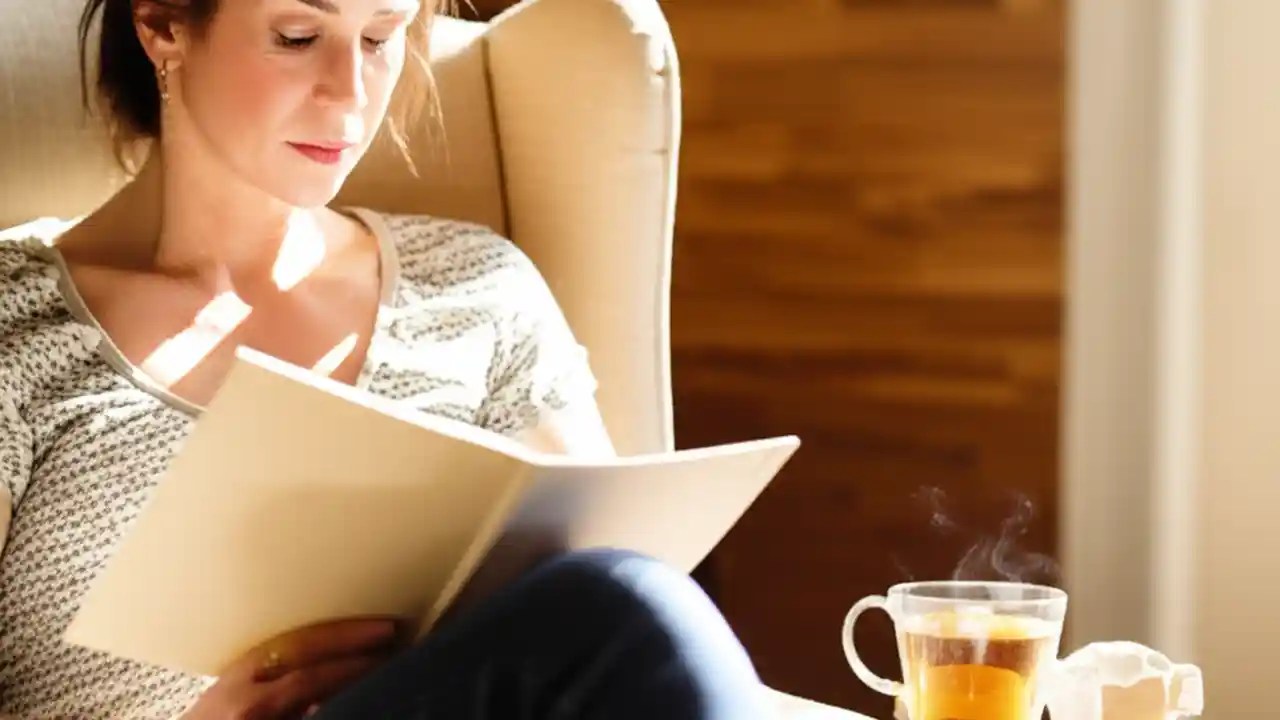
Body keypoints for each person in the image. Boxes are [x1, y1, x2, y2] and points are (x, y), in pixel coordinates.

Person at [0, 0, 766, 717]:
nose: (350, 93)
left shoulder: (475, 287)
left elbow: (619, 584)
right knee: (628, 607)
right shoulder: (16, 320)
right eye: (298, 38)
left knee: (634, 596)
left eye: (379, 38)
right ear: (163, 25)